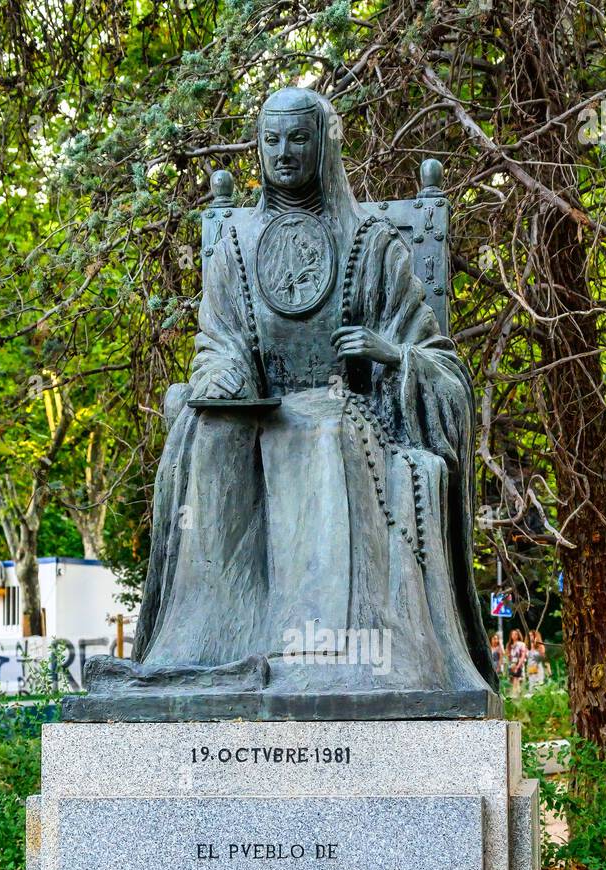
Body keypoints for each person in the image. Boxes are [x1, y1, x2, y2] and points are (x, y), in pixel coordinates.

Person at [102, 86, 496, 705]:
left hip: (346, 416)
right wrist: (222, 376)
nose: (284, 153)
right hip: (255, 416)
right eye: (271, 139)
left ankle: (317, 655)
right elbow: (218, 342)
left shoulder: (372, 241)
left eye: (298, 138)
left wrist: (391, 353)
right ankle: (204, 649)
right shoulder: (233, 242)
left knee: (319, 431)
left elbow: (442, 370)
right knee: (209, 427)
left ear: (322, 145)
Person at [507, 629, 528, 694]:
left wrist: (518, 666)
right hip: (511, 664)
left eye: (516, 634)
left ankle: (517, 695)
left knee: (518, 680)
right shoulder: (509, 645)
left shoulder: (521, 644)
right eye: (512, 634)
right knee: (512, 681)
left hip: (519, 664)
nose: (514, 635)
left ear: (518, 635)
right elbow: (508, 657)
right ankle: (514, 696)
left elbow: (523, 656)